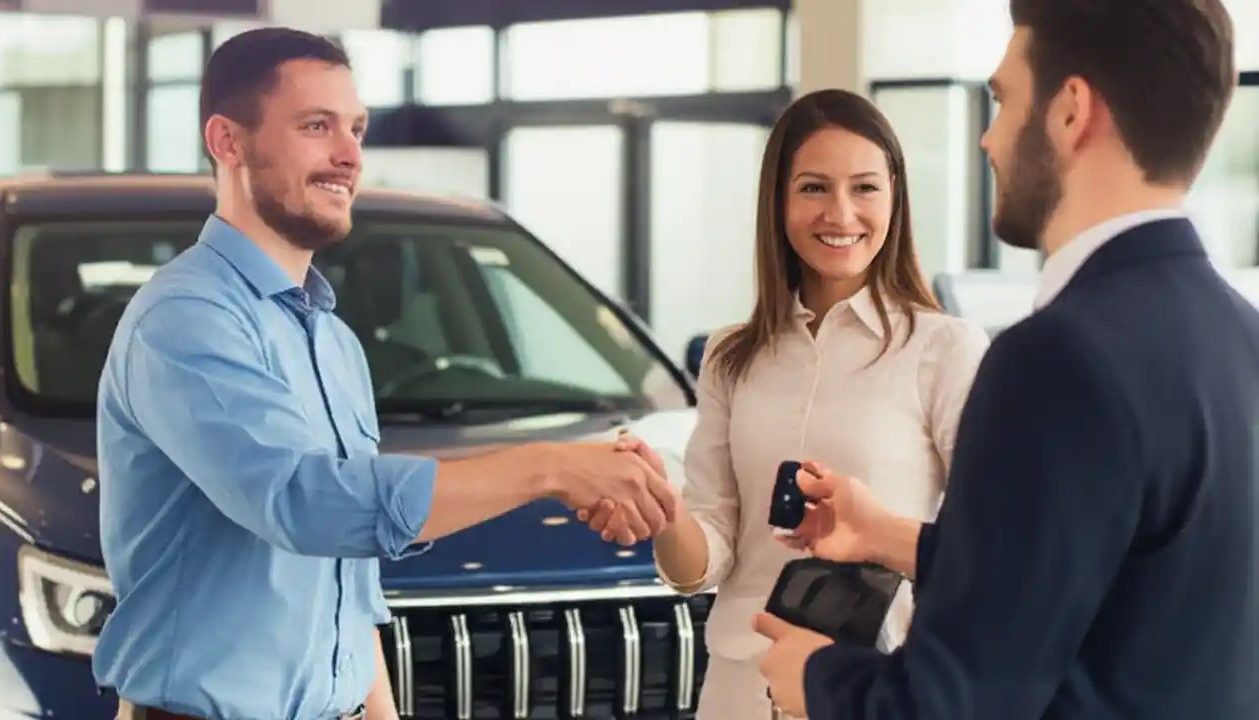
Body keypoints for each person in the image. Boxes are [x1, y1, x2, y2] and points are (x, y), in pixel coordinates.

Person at [92, 28, 678, 720]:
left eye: (357, 129)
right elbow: (306, 505)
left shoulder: (332, 341)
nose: (349, 156)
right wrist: (552, 467)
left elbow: (346, 582)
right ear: (228, 141)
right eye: (317, 127)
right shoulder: (186, 317)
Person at [753, 1, 1259, 719]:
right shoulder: (1241, 337)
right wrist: (889, 536)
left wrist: (817, 680)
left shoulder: (1054, 359)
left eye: (1003, 100)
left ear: (1071, 111)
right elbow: (1115, 594)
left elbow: (951, 706)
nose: (988, 140)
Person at [582, 89, 989, 718]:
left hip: (876, 688)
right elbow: (705, 558)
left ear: (895, 196)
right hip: (740, 688)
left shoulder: (944, 348)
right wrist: (661, 508)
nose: (841, 213)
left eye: (865, 188)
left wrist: (876, 533)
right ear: (778, 200)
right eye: (813, 188)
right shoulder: (729, 355)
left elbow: (986, 550)